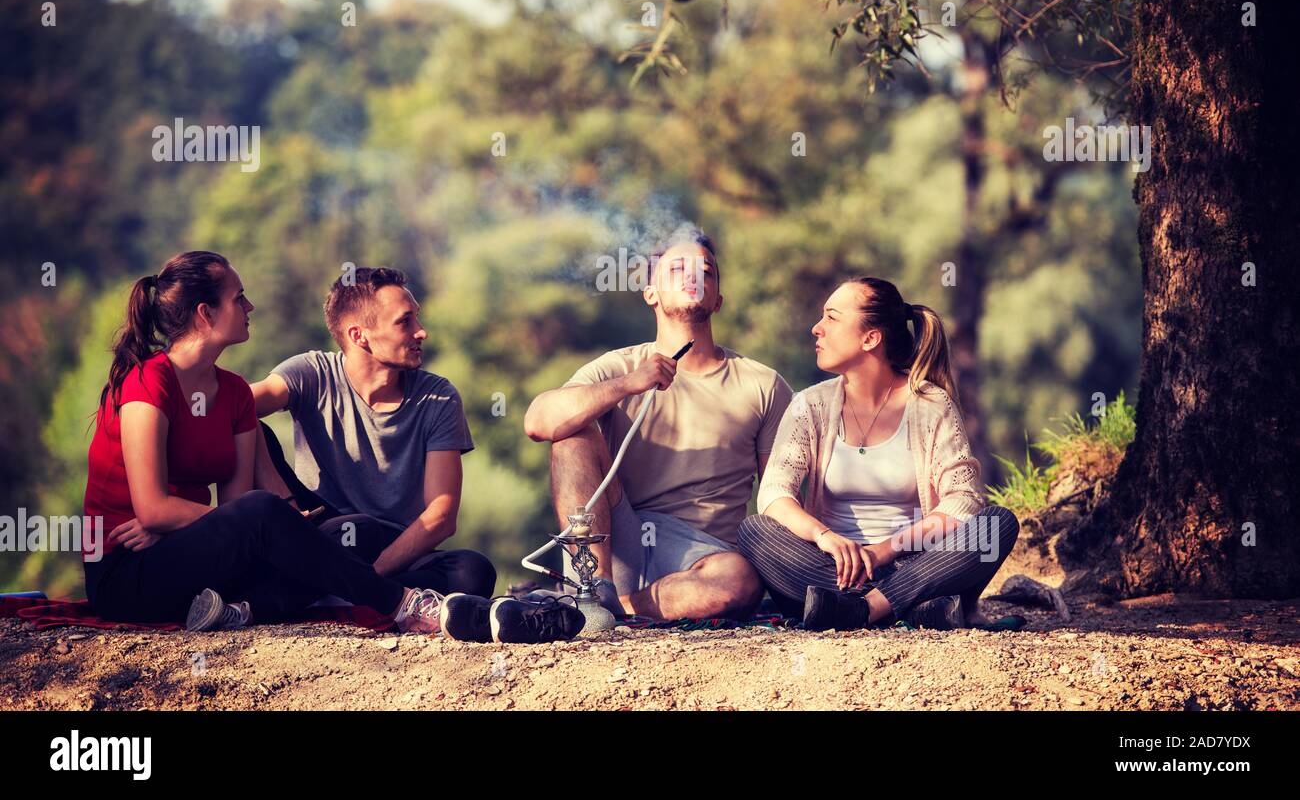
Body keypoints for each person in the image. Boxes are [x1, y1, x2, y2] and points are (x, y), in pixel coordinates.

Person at [81, 251, 444, 633]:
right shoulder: (148, 382)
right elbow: (154, 509)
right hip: (127, 568)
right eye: (239, 298)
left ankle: (239, 610)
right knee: (266, 512)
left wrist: (190, 524)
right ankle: (403, 605)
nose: (249, 306)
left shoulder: (235, 392)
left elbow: (235, 509)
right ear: (206, 313)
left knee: (359, 532)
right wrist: (199, 522)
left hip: (193, 557)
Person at [516, 226, 793, 624]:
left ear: (718, 300)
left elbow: (777, 495)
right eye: (678, 268)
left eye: (706, 271)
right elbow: (539, 421)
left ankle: (598, 611)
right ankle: (591, 589)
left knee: (741, 580)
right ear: (651, 294)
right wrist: (629, 384)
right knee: (571, 436)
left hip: (705, 559)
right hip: (619, 544)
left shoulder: (764, 384)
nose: (694, 277)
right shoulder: (621, 366)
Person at [735, 276, 1019, 631]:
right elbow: (775, 494)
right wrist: (826, 537)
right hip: (830, 569)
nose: (816, 328)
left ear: (871, 338)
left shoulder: (931, 405)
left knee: (996, 525)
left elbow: (962, 502)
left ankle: (863, 609)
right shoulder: (809, 405)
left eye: (832, 318)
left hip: (915, 564)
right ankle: (911, 610)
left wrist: (881, 551)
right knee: (753, 530)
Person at [248, 266, 496, 600]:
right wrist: (284, 499)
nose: (422, 332)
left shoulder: (439, 397)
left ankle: (332, 595)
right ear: (358, 335)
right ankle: (354, 596)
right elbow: (235, 408)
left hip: (392, 550)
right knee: (252, 426)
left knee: (473, 571)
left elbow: (440, 518)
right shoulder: (310, 373)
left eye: (417, 319)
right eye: (405, 321)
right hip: (320, 533)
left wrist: (368, 577)